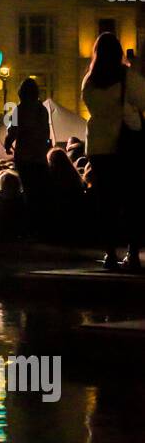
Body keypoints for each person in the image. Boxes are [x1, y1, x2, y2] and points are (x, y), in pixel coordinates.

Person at [81, 32, 145, 270]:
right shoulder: (127, 77)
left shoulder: (89, 80)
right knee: (132, 202)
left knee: (106, 203)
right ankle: (132, 254)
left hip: (99, 147)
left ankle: (109, 254)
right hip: (125, 147)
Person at [4, 78, 51, 211]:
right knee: (39, 191)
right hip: (40, 157)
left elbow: (13, 131)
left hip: (24, 157)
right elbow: (45, 133)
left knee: (26, 190)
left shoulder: (19, 110)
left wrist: (7, 145)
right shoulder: (42, 110)